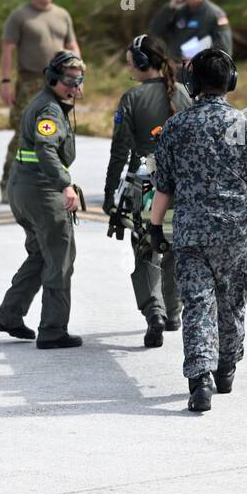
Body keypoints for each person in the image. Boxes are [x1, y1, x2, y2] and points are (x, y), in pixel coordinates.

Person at [149, 49, 247, 412]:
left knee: (196, 305)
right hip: (237, 233)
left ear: (192, 84)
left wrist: (156, 227)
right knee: (232, 303)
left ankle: (200, 380)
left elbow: (164, 186)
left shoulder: (176, 126)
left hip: (191, 234)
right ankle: (226, 368)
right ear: (230, 83)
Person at [0, 51, 86, 350]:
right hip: (41, 192)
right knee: (59, 257)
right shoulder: (50, 111)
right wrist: (65, 185)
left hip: (23, 189)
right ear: (52, 78)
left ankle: (9, 315)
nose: (74, 86)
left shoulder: (50, 104)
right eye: (69, 79)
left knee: (40, 255)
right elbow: (46, 150)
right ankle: (53, 329)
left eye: (79, 80)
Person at [103, 35, 192, 347]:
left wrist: (109, 193)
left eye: (130, 64)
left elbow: (119, 152)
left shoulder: (131, 99)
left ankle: (153, 310)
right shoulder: (184, 94)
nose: (129, 69)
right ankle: (173, 312)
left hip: (144, 188)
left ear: (142, 64)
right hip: (181, 187)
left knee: (145, 250)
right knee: (174, 247)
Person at [0, 0, 80, 202]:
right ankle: (8, 181)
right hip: (29, 81)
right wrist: (6, 81)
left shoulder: (62, 15)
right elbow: (7, 50)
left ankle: (53, 180)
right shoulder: (20, 16)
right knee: (22, 134)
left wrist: (77, 77)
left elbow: (72, 46)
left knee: (56, 132)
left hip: (59, 82)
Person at [148, 0, 232, 61]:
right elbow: (154, 31)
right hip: (174, 70)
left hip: (198, 71)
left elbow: (225, 52)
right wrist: (170, 7)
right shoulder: (176, 11)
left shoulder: (214, 14)